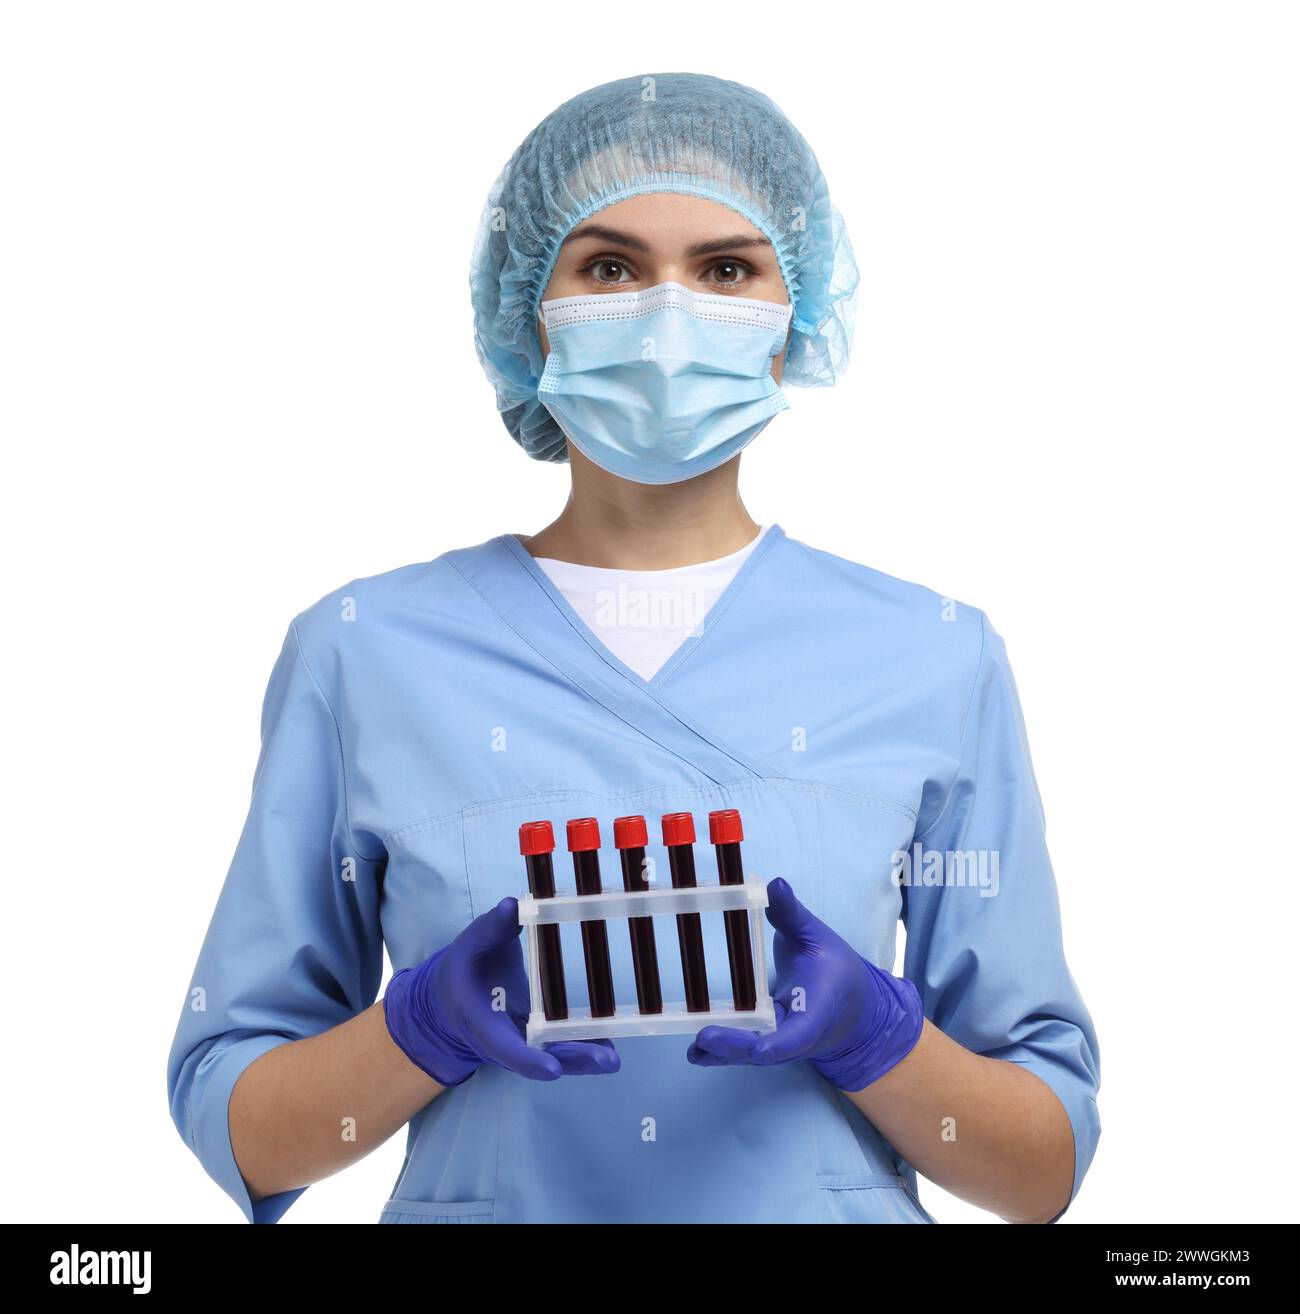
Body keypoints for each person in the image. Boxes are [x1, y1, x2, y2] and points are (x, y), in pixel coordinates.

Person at [167, 72, 1100, 1225]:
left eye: (725, 271)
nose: (670, 318)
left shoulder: (932, 657)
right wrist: (418, 1030)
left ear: (791, 320)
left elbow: (1038, 1172)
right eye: (609, 268)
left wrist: (879, 1035)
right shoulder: (368, 654)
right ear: (530, 314)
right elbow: (246, 1133)